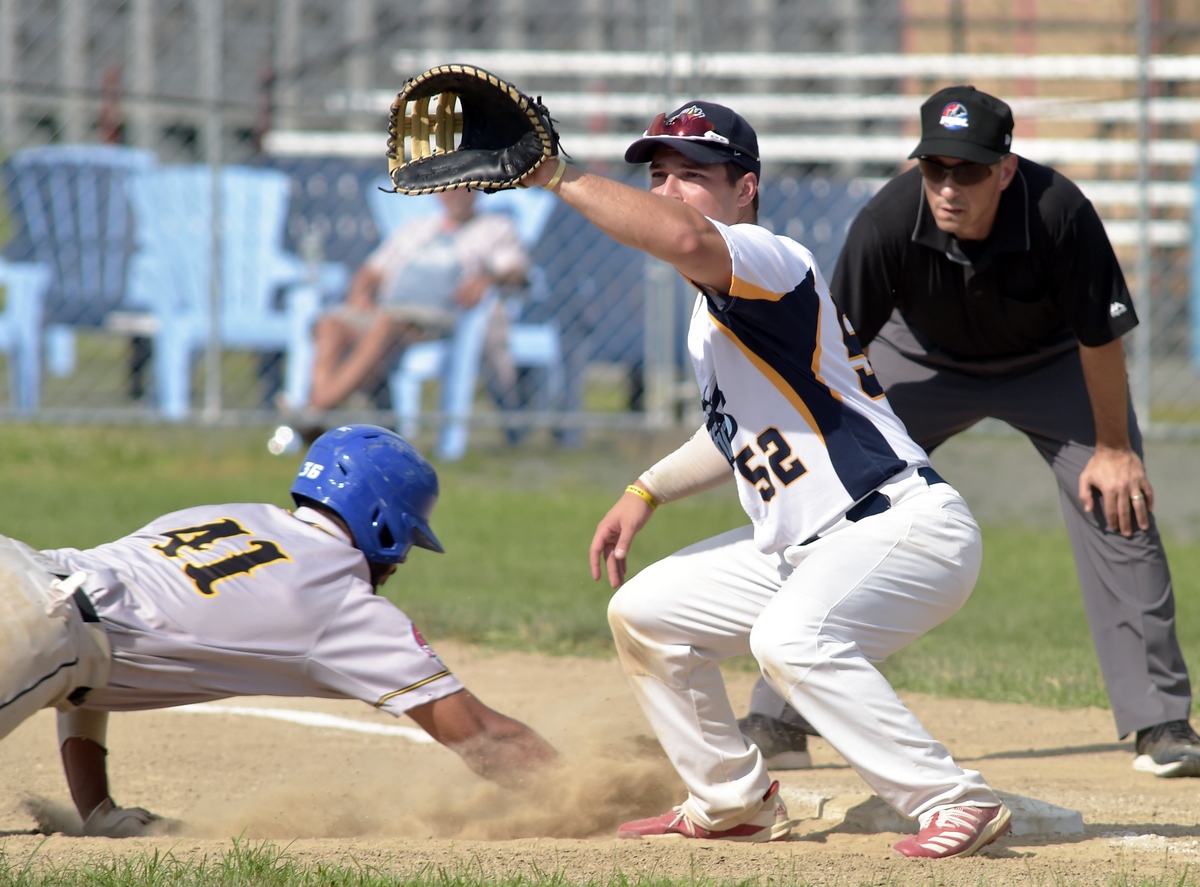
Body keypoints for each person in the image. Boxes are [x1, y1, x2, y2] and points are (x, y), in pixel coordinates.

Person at [524, 101, 1011, 858]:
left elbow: (684, 235)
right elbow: (739, 434)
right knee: (647, 611)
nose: (669, 189)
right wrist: (645, 489)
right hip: (805, 546)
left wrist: (554, 173)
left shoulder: (767, 256)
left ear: (745, 188)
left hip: (900, 527)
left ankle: (954, 798)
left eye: (693, 174)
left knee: (789, 637)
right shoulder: (711, 313)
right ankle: (732, 801)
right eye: (658, 175)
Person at [741, 85, 1200, 781]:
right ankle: (779, 716)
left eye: (969, 170)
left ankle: (1161, 720)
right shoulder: (888, 220)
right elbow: (836, 352)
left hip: (1051, 365)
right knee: (843, 501)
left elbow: (1100, 338)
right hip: (920, 360)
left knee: (1119, 499)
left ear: (1005, 170)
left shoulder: (1059, 212)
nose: (949, 186)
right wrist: (833, 461)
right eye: (935, 168)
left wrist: (1114, 449)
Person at [0, 424, 554, 837]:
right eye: (408, 538)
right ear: (383, 523)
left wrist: (97, 810)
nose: (402, 559)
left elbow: (89, 632)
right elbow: (486, 736)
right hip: (35, 628)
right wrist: (602, 789)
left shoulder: (226, 515)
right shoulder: (343, 603)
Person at [305, 190, 529, 412]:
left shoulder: (495, 227)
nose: (455, 195)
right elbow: (371, 271)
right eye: (448, 189)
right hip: (388, 309)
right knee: (329, 325)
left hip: (437, 316)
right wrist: (362, 293)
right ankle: (319, 409)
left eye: (464, 188)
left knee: (385, 326)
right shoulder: (415, 228)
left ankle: (316, 410)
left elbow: (516, 273)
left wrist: (487, 279)